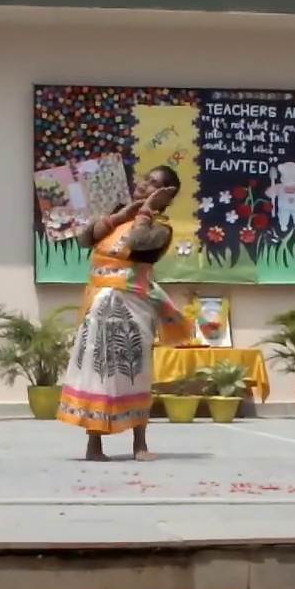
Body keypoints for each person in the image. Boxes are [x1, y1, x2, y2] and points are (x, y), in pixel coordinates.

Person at [56, 165, 195, 461]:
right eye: (144, 179)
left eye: (153, 184)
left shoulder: (161, 228)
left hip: (131, 305)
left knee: (135, 370)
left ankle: (139, 444)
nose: (143, 185)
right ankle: (94, 444)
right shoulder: (119, 214)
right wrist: (120, 216)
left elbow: (137, 243)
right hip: (99, 304)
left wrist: (145, 211)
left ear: (166, 195)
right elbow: (84, 239)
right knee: (97, 369)